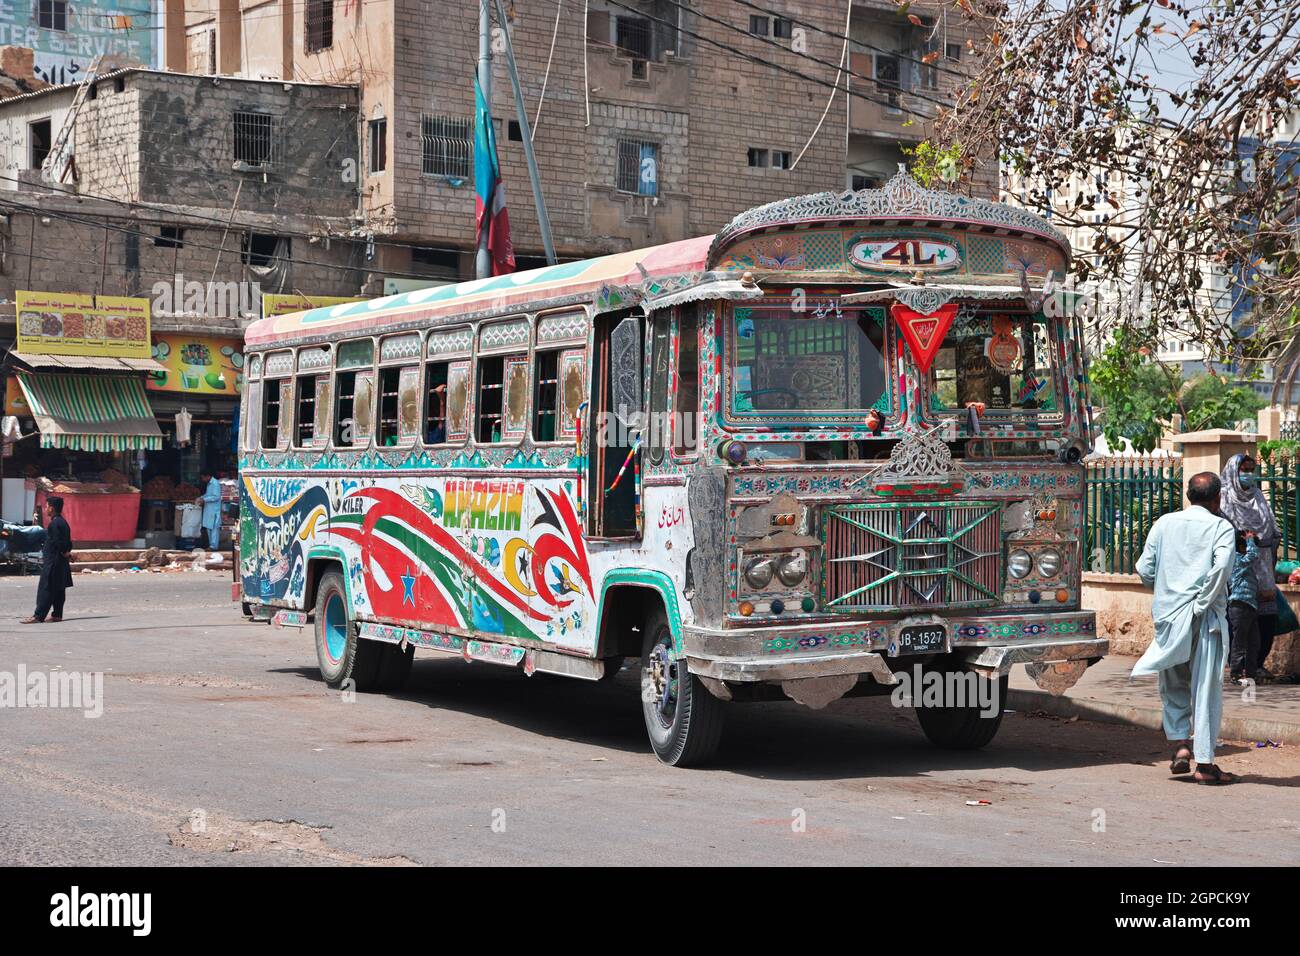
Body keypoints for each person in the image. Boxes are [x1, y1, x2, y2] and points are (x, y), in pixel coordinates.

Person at [1134, 472, 1238, 785]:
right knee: (1205, 689)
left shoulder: (1164, 523)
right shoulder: (1221, 527)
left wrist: (1167, 590)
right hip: (1205, 620)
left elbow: (1144, 569)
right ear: (1217, 499)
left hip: (1169, 615)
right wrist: (1202, 602)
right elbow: (1221, 567)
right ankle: (1205, 765)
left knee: (1173, 683)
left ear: (1189, 495)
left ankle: (1181, 745)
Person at [1219, 454, 1285, 681]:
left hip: (1264, 564)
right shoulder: (1224, 498)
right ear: (1233, 472)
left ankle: (1257, 664)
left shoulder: (1257, 495)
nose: (1248, 474)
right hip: (1239, 567)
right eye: (1243, 470)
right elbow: (1225, 530)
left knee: (1266, 617)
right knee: (1239, 620)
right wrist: (1246, 540)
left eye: (1251, 469)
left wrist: (1264, 541)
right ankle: (1238, 668)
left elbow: (1271, 528)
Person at [21, 496, 73, 624]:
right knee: (59, 588)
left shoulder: (54, 524)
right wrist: (67, 552)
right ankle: (57, 615)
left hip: (53, 561)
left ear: (52, 508)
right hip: (60, 561)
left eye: (47, 506)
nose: (45, 509)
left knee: (47, 588)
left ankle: (38, 616)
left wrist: (64, 552)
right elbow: (68, 542)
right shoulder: (63, 522)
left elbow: (57, 542)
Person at [1227, 530, 1261, 684]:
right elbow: (1252, 554)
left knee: (1254, 642)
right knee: (1240, 642)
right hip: (1239, 606)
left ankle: (1251, 674)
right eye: (1245, 545)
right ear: (1240, 546)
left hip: (1249, 606)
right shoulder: (1235, 559)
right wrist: (1250, 539)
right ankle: (1236, 674)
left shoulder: (1242, 561)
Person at [197, 470, 222, 551]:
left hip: (214, 509)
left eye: (203, 478)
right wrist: (201, 497)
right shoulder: (209, 484)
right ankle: (211, 545)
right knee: (209, 527)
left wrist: (204, 500)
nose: (202, 479)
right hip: (209, 509)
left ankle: (213, 546)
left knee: (214, 528)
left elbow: (216, 496)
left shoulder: (215, 483)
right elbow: (208, 495)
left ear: (207, 476)